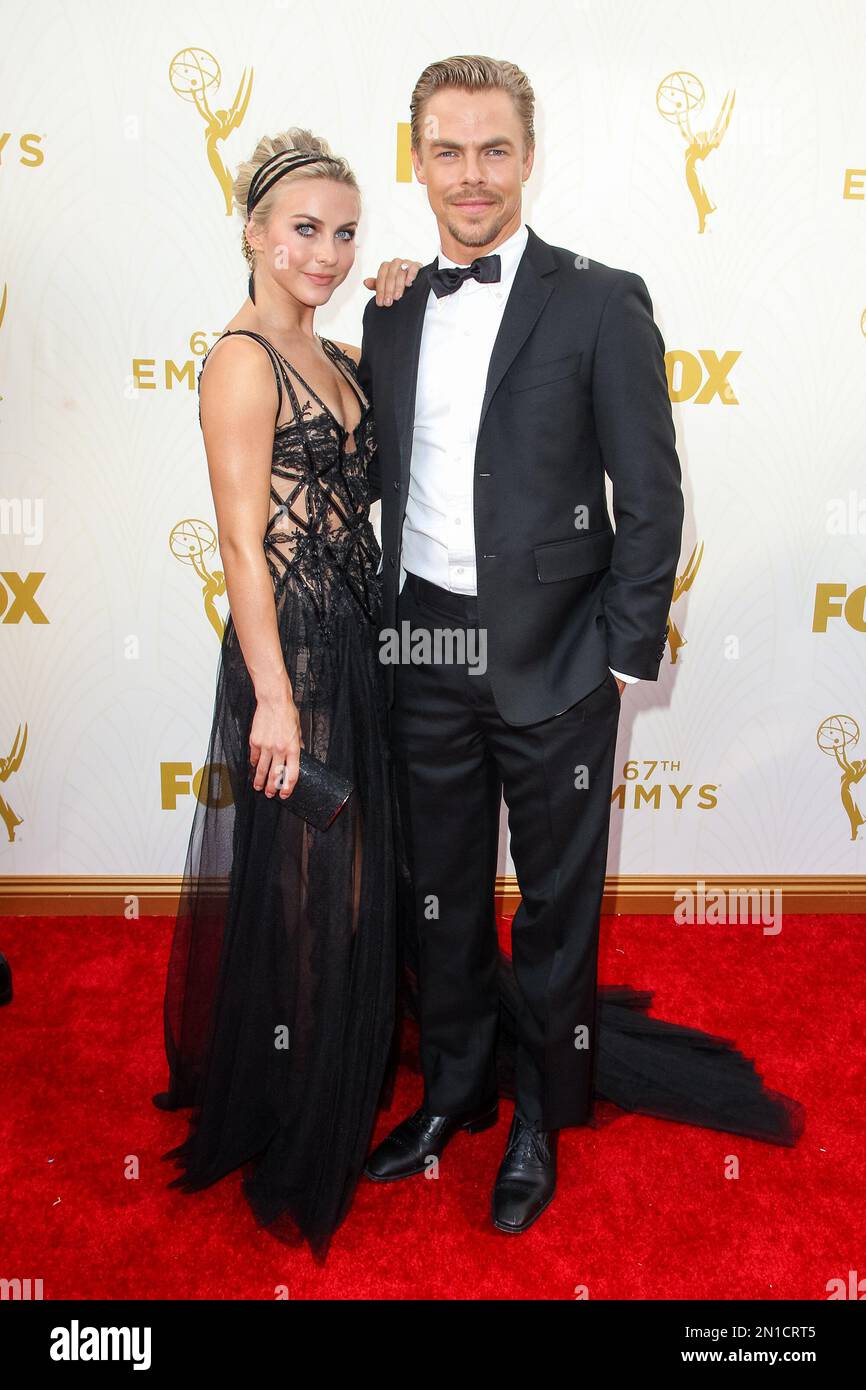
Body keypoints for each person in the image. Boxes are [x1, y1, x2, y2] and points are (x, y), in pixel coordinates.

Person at [358, 55, 805, 1234]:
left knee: (556, 905)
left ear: (527, 155)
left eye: (492, 148)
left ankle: (544, 1114)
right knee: (438, 894)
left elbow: (649, 496)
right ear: (417, 160)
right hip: (423, 648)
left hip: (558, 658)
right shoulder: (391, 305)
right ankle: (454, 1091)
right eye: (445, 150)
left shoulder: (600, 299)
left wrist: (617, 657)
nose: (469, 174)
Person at [151, 129, 418, 1261]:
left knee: (354, 885)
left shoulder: (341, 352)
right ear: (253, 232)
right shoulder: (243, 359)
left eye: (346, 230)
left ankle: (329, 1073)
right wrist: (272, 697)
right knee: (312, 889)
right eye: (304, 227)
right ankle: (293, 1108)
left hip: (358, 646)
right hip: (291, 656)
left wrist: (408, 297)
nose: (325, 249)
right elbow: (240, 544)